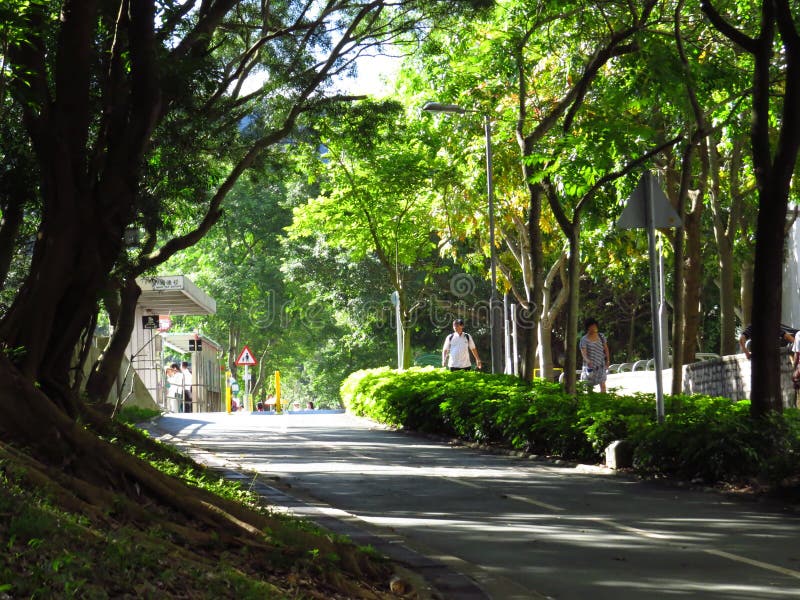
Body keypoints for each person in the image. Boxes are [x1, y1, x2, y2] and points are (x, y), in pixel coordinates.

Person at [579, 317, 611, 393]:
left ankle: (603, 399)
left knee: (603, 385)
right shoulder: (584, 339)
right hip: (590, 368)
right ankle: (591, 399)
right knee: (589, 387)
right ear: (588, 327)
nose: (594, 327)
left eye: (595, 326)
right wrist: (587, 360)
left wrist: (608, 360)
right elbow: (583, 353)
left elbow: (606, 349)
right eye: (592, 326)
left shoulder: (601, 336)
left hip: (601, 365)